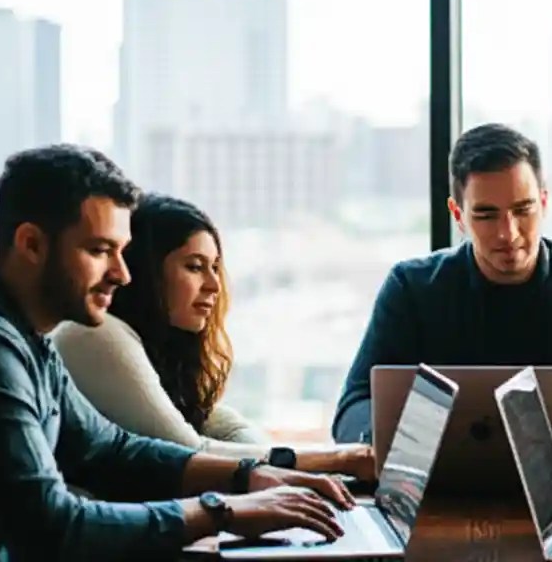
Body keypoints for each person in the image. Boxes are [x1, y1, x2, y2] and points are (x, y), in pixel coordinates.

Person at [0, 145, 354, 562]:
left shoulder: (19, 331)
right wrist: (226, 511)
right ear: (31, 244)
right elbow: (56, 531)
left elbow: (110, 450)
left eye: (122, 252)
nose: (122, 275)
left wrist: (246, 477)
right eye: (100, 251)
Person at [332, 123, 552, 443]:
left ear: (543, 203)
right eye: (487, 215)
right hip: (441, 488)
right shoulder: (412, 289)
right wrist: (411, 439)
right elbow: (353, 409)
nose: (509, 233)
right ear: (458, 215)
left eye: (523, 210)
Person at [51, 193, 374, 480]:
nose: (214, 286)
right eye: (194, 267)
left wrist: (292, 467)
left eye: (215, 268)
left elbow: (229, 430)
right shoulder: (97, 334)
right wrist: (340, 459)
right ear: (145, 273)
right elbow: (189, 453)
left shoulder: (160, 350)